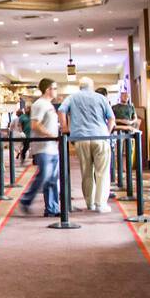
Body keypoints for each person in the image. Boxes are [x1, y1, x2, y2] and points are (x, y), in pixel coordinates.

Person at [59, 76, 116, 212]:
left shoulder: (72, 98)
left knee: (86, 172)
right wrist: (106, 133)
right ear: (92, 86)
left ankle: (89, 203)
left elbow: (61, 110)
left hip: (81, 138)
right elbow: (111, 118)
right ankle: (100, 204)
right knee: (102, 172)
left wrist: (65, 127)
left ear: (80, 86)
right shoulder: (101, 98)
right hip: (100, 137)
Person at [18, 78, 60, 216]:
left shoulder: (48, 105)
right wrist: (50, 135)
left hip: (51, 147)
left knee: (52, 178)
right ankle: (25, 200)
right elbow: (35, 124)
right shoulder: (40, 104)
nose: (56, 90)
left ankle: (52, 209)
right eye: (54, 88)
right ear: (48, 89)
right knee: (44, 176)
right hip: (43, 147)